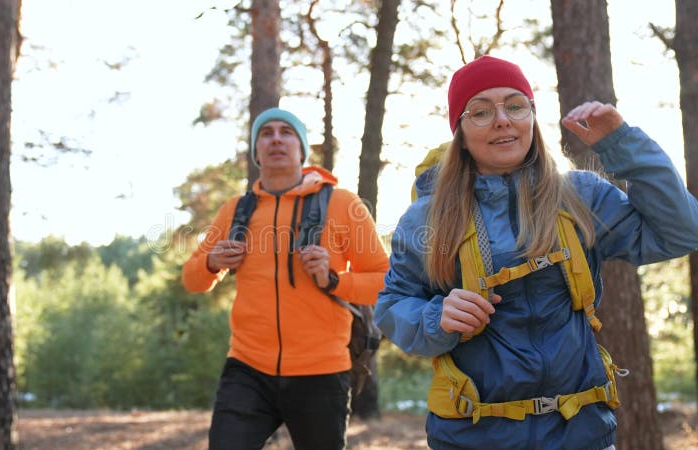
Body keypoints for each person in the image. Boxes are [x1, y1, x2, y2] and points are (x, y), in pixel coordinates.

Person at [375, 55, 698, 450]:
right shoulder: (426, 217)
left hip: (581, 435)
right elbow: (392, 306)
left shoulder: (580, 196)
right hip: (471, 437)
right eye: (480, 111)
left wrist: (622, 144)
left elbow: (682, 232)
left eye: (515, 105)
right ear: (459, 129)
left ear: (531, 115)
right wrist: (434, 316)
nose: (502, 120)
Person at [182, 107, 389, 450]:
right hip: (248, 370)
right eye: (266, 133)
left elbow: (385, 282)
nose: (276, 138)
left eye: (286, 132)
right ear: (256, 152)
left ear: (302, 148)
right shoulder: (236, 210)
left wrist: (334, 279)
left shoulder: (343, 204)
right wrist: (211, 262)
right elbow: (191, 280)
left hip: (322, 371)